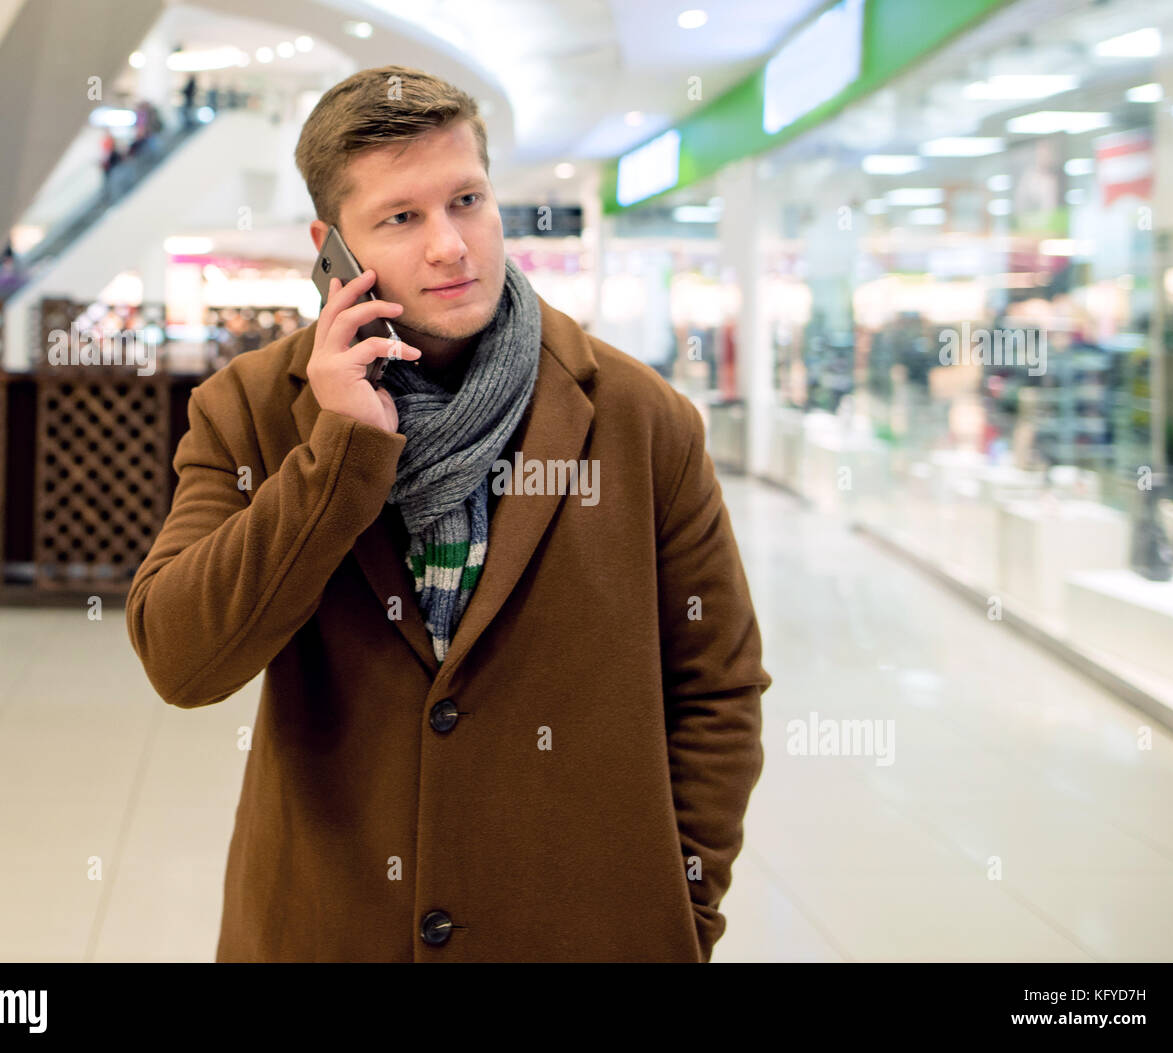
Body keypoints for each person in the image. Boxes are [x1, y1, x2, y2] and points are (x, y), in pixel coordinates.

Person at [125, 64, 770, 963]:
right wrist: (337, 461)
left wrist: (682, 908)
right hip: (333, 924)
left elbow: (717, 685)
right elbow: (181, 659)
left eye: (467, 199)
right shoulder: (254, 409)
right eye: (402, 217)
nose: (451, 245)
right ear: (330, 246)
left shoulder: (637, 417)